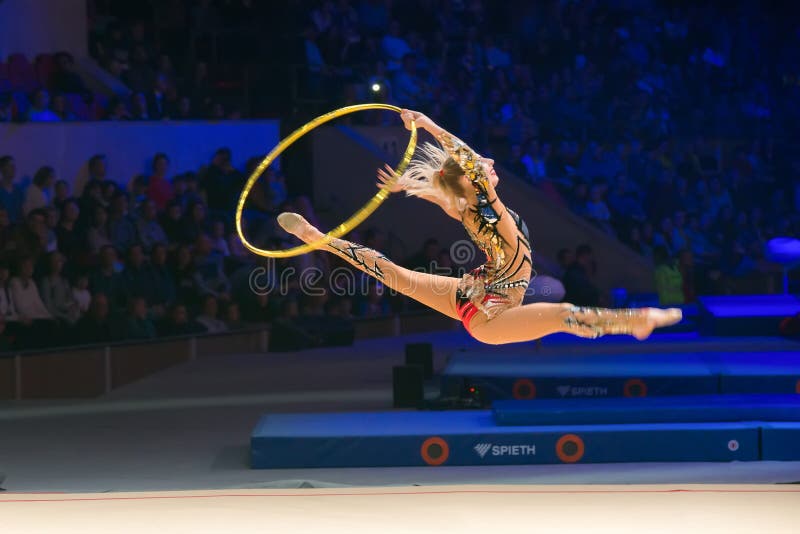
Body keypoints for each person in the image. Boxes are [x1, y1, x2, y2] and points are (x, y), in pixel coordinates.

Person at [276, 109, 681, 343]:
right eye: (482, 167)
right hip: (492, 313)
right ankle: (634, 321)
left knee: (396, 275)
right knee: (561, 314)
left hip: (473, 294)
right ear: (473, 180)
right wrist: (430, 125)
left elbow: (448, 186)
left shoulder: (467, 209)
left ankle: (318, 239)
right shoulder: (487, 208)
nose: (487, 163)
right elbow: (464, 161)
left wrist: (410, 185)